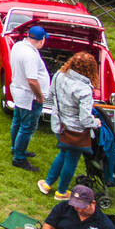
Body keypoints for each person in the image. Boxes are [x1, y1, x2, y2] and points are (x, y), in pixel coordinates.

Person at [38, 53, 104, 201]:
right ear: (92, 69)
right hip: (76, 132)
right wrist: (96, 123)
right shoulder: (85, 90)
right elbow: (85, 119)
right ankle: (61, 192)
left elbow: (50, 94)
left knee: (63, 154)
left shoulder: (59, 76)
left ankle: (47, 184)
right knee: (71, 161)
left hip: (59, 125)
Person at [9, 25, 52, 173]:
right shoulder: (31, 55)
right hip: (29, 96)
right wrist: (40, 96)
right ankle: (19, 158)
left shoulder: (19, 46)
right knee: (27, 127)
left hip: (18, 91)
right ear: (41, 40)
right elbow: (32, 80)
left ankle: (16, 148)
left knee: (17, 121)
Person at [42, 185, 115, 229]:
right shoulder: (65, 207)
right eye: (76, 206)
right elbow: (48, 226)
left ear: (93, 203)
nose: (79, 210)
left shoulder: (106, 226)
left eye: (83, 207)